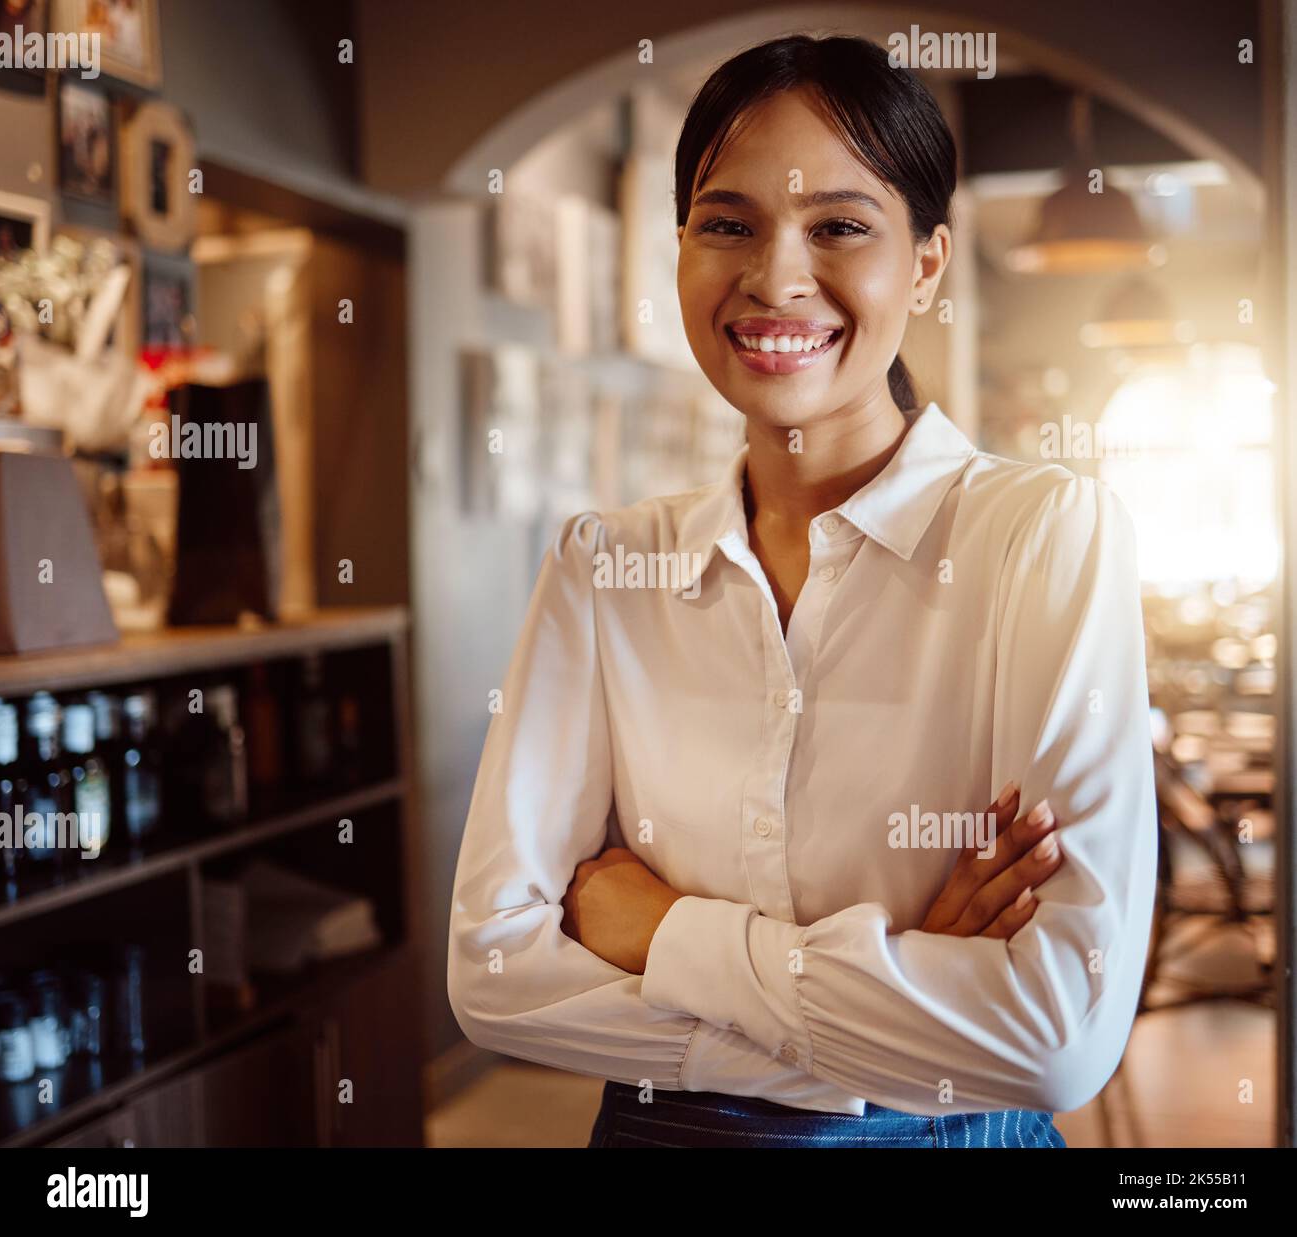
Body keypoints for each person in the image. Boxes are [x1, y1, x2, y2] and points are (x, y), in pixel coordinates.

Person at [447, 32, 1157, 1149]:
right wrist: (899, 999)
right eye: (727, 223)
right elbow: (491, 976)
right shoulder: (601, 567)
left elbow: (1053, 1037)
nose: (775, 278)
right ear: (679, 246)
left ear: (925, 263)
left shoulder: (1040, 538)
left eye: (838, 226)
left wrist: (664, 930)